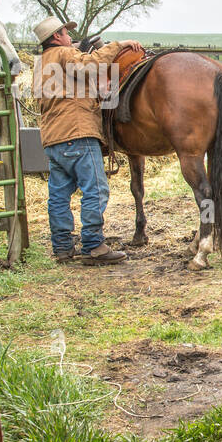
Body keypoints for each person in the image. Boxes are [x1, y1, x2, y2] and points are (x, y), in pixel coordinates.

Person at [32, 16, 143, 265]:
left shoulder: (41, 65)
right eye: (66, 32)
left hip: (53, 138)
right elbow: (90, 65)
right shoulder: (64, 54)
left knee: (59, 195)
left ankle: (62, 247)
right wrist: (118, 44)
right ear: (56, 36)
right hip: (78, 133)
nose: (70, 36)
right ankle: (94, 246)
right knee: (96, 189)